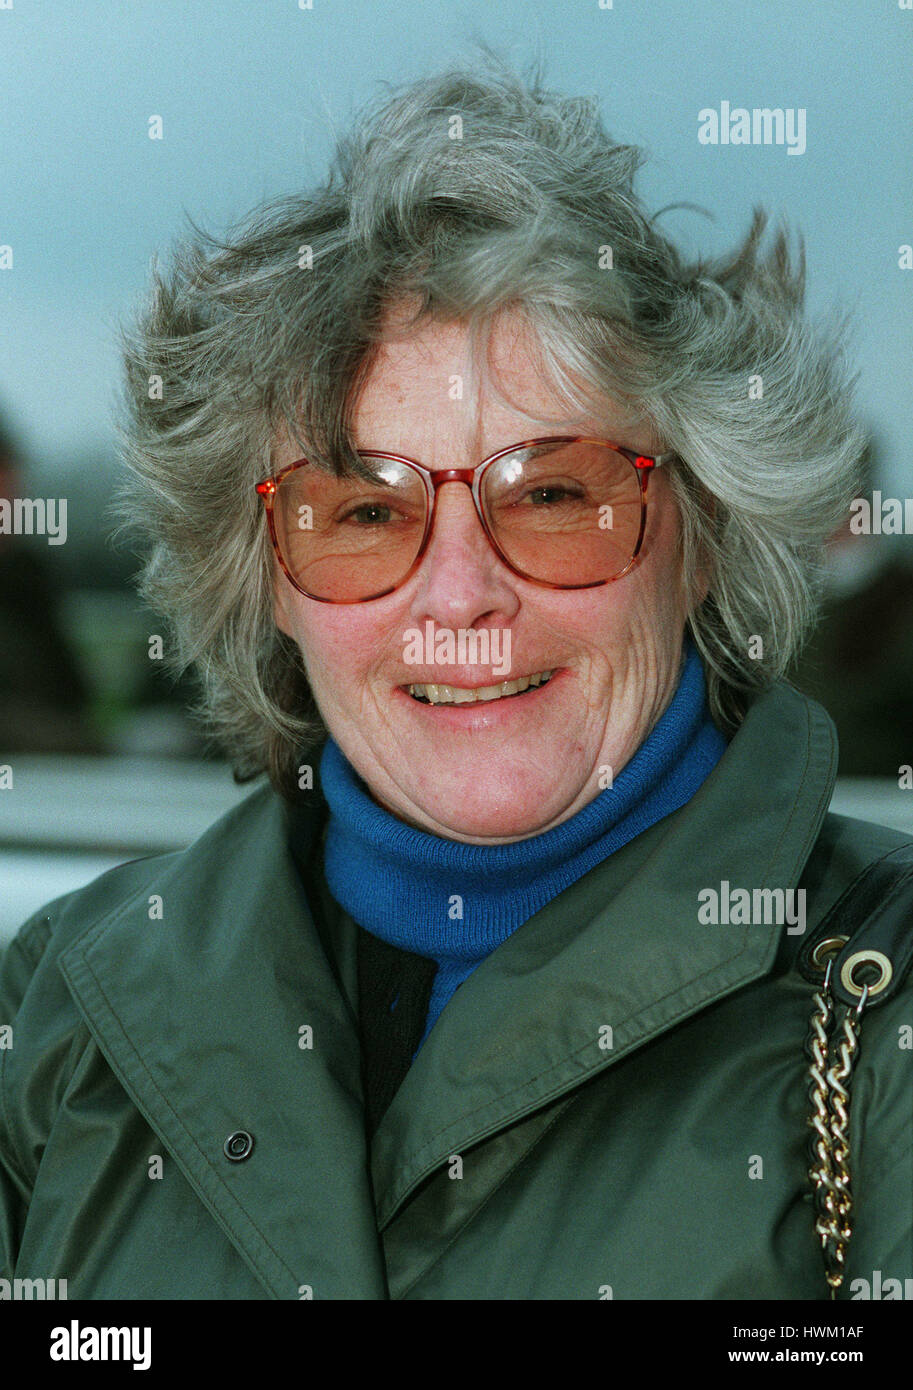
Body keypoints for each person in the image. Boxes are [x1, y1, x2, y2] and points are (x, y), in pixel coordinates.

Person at [1, 55, 910, 1302]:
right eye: (361, 513)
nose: (461, 594)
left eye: (551, 495)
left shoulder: (881, 1009)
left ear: (699, 536)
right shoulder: (61, 1007)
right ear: (259, 578)